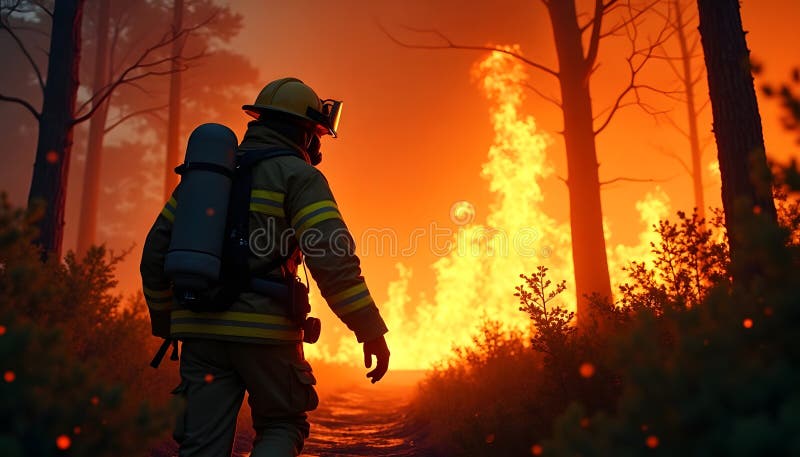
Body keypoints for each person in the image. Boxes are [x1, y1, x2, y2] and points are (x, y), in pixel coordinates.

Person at [140, 77, 390, 456]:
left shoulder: (206, 176)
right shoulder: (299, 177)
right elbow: (331, 257)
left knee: (200, 445)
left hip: (201, 333)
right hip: (267, 335)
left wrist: (166, 320)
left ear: (260, 122)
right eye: (315, 135)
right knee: (281, 424)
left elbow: (155, 252)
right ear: (305, 133)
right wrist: (368, 328)